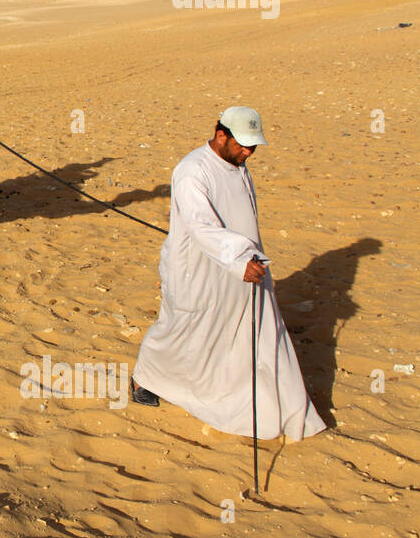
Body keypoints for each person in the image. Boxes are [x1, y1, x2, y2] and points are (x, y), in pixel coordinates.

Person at [131, 106, 326, 441]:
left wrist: (245, 259)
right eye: (242, 144)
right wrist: (238, 258)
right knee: (182, 328)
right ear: (221, 134)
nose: (248, 152)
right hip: (197, 269)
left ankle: (248, 394)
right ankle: (144, 379)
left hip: (239, 265)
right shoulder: (192, 171)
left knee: (236, 329)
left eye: (253, 146)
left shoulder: (238, 164)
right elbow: (200, 227)